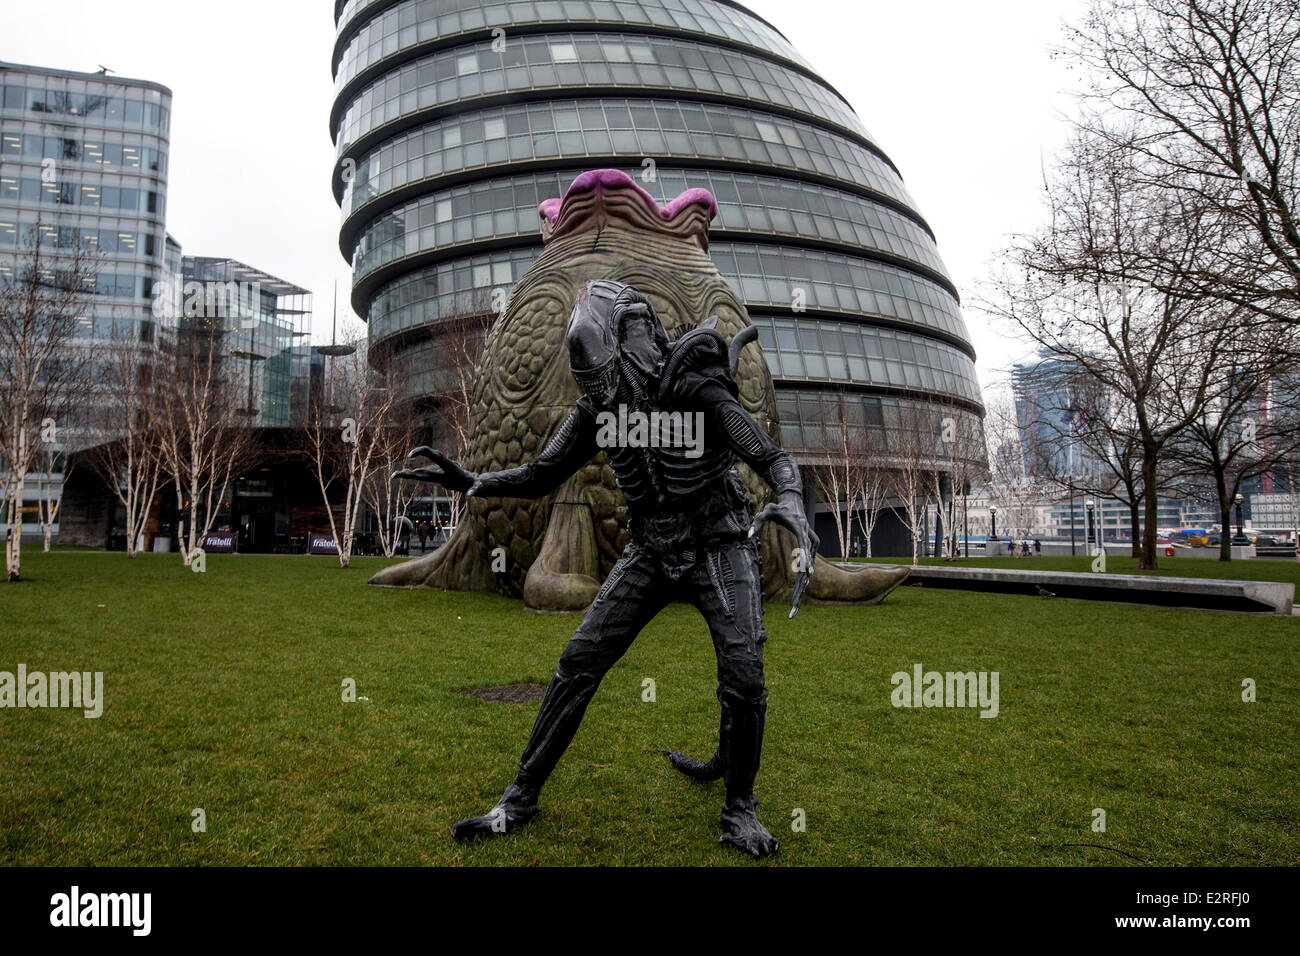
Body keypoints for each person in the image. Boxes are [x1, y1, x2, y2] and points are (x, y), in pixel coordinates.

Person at [395, 280, 817, 858]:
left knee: (744, 677)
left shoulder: (696, 387)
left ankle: (739, 808)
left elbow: (770, 456)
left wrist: (790, 499)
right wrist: (474, 482)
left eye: (611, 378)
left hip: (719, 542)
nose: (607, 394)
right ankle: (519, 797)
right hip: (650, 549)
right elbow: (541, 473)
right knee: (578, 661)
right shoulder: (598, 409)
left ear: (634, 345)